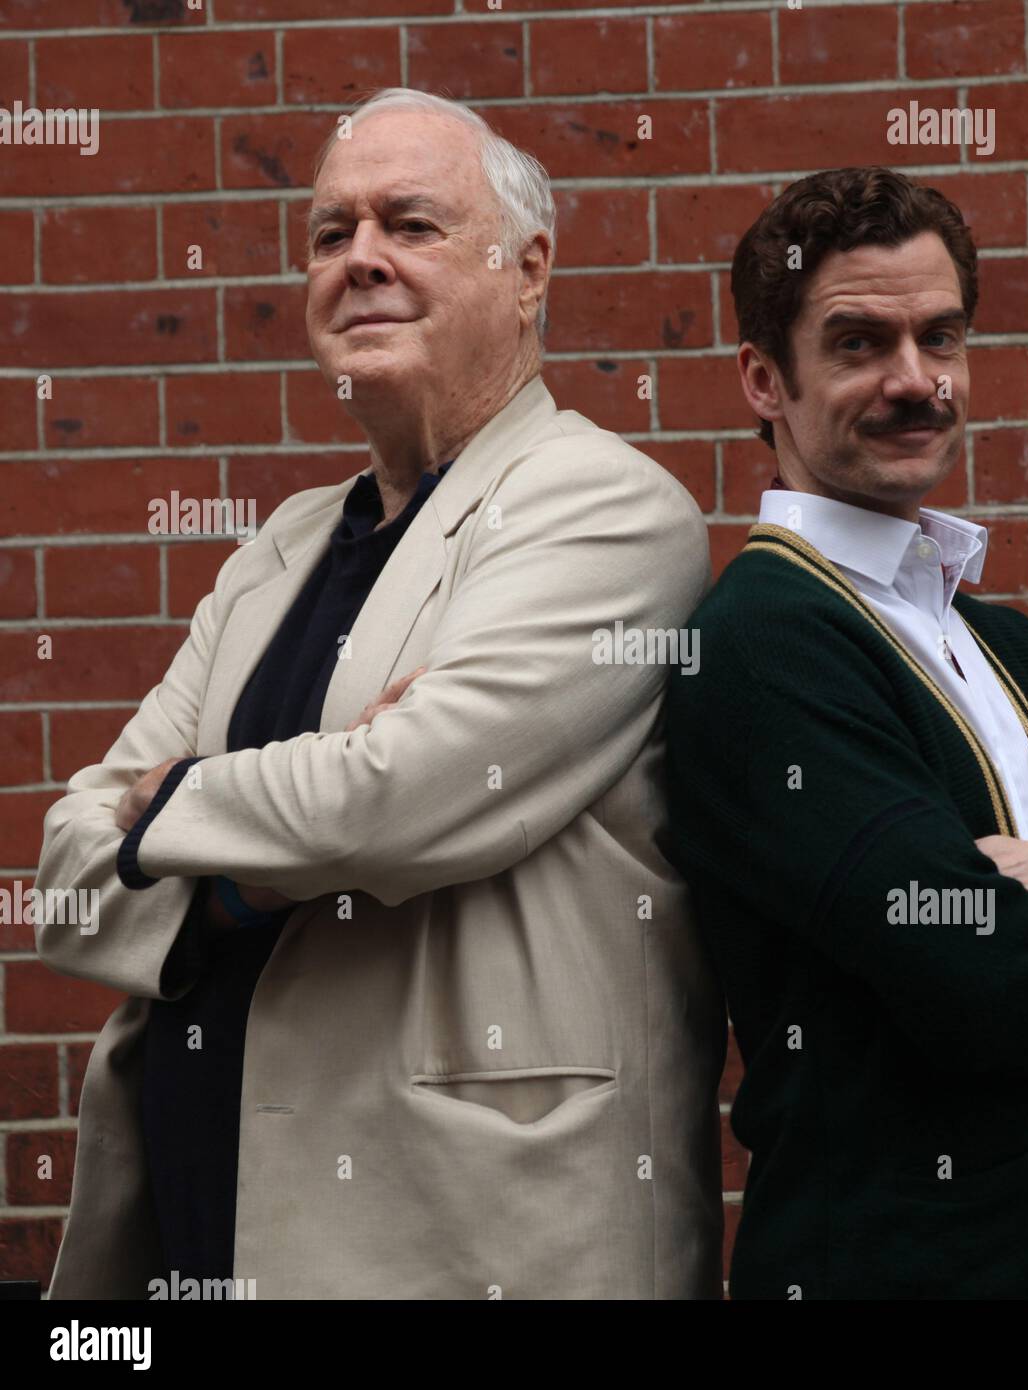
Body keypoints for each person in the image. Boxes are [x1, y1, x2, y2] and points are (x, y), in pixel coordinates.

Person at [34, 88, 725, 1300]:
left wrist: (181, 807)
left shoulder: (605, 508)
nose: (361, 260)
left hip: (467, 1237)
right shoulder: (280, 552)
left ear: (527, 271)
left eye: (409, 223)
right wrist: (273, 828)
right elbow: (67, 866)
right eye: (330, 233)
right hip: (203, 1228)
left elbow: (398, 797)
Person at [662, 166, 1028, 1300]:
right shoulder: (762, 644)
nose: (914, 381)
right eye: (857, 344)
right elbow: (991, 982)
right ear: (763, 380)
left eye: (939, 338)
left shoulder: (1004, 644)